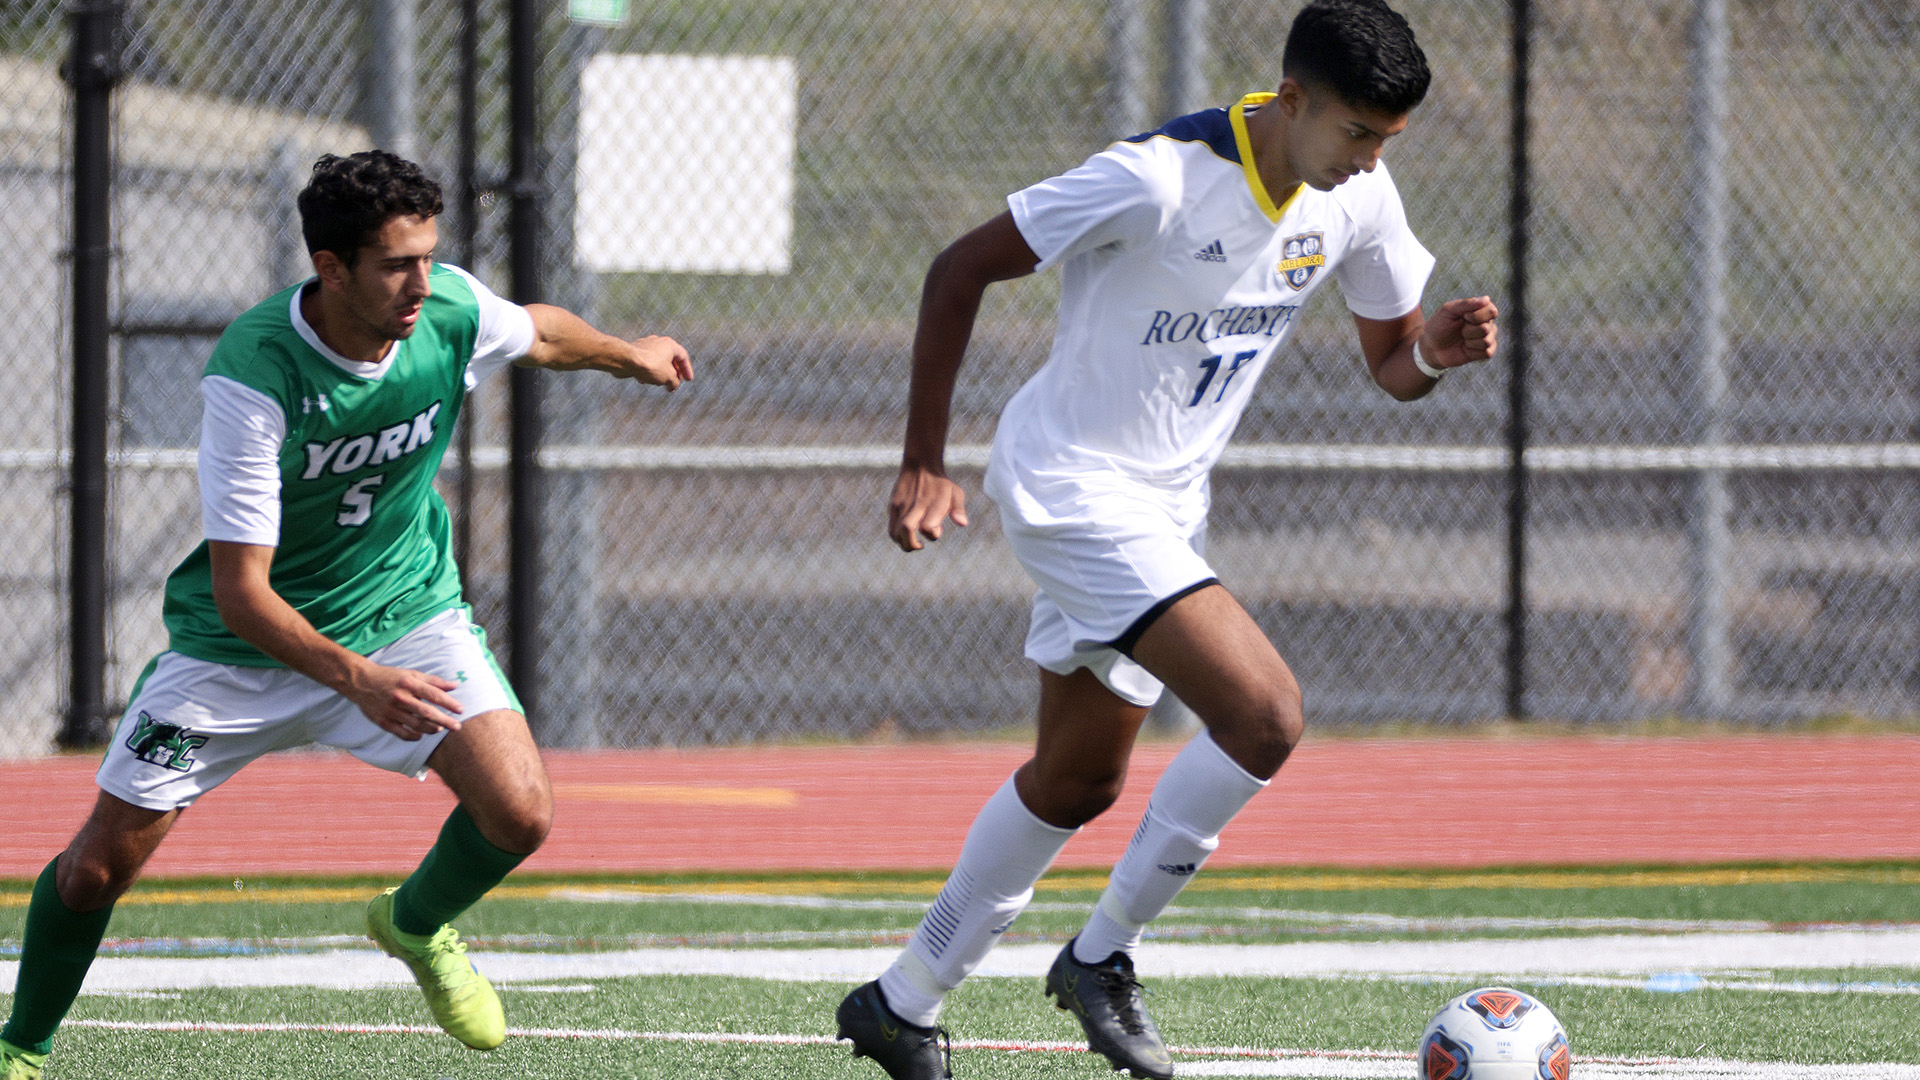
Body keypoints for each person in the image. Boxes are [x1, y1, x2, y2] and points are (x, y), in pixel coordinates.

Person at [835, 2, 1497, 1077]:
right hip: (1073, 490)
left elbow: (1391, 366)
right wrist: (922, 458)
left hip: (1165, 510)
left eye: (1388, 141)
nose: (1371, 159)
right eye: (1356, 135)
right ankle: (1103, 958)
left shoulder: (1358, 196)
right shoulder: (1156, 177)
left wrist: (1433, 350)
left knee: (1076, 782)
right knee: (1267, 714)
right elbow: (959, 269)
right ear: (1292, 101)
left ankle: (901, 1002)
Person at [0, 150, 692, 1079]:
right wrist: (356, 680)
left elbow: (536, 331)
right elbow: (245, 593)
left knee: (520, 813)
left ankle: (413, 923)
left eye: (429, 257)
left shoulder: (444, 306)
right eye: (396, 264)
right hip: (240, 650)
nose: (422, 282)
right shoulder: (255, 376)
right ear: (330, 268)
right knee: (94, 871)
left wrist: (625, 355)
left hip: (406, 614)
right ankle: (23, 1047)